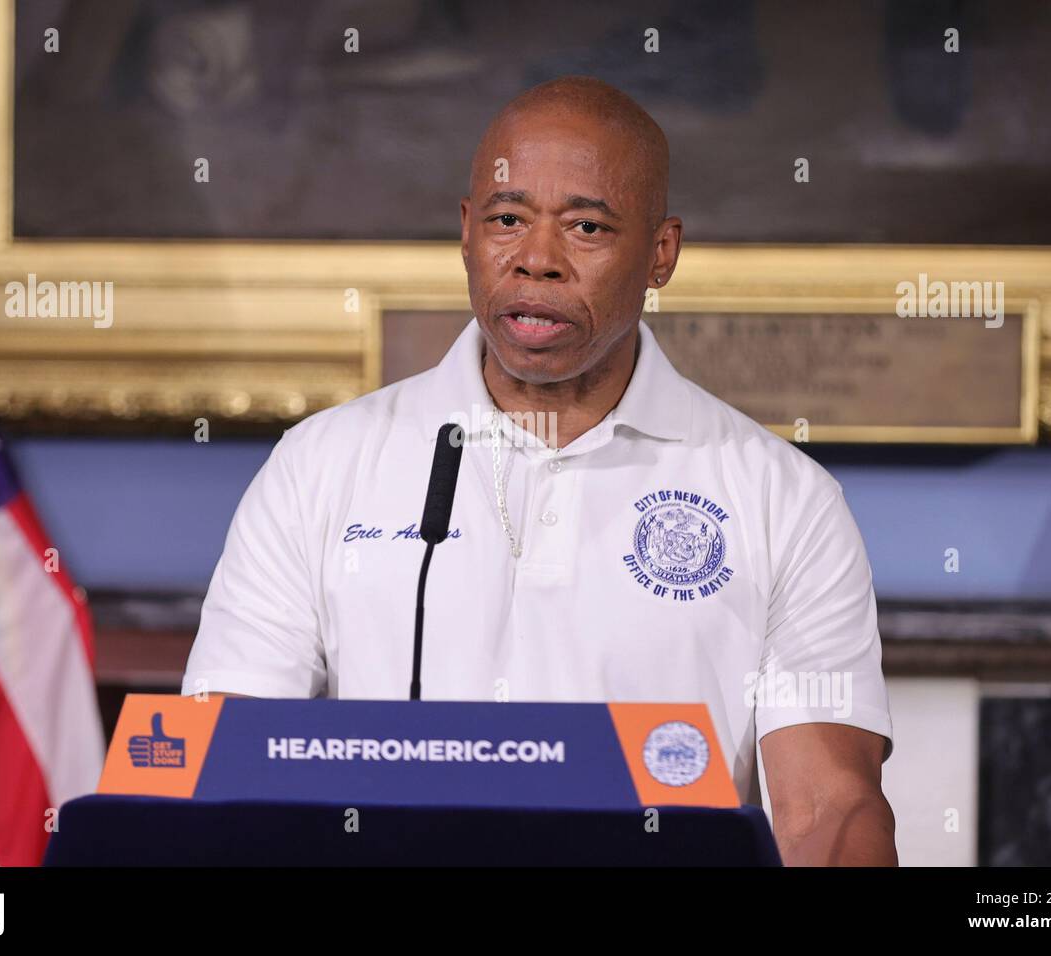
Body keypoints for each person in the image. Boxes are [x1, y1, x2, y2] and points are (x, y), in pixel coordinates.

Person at [183, 76, 896, 865]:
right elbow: (226, 765)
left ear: (662, 254)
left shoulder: (783, 500)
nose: (536, 261)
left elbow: (827, 811)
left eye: (587, 227)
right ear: (466, 232)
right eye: (507, 219)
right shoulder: (320, 465)